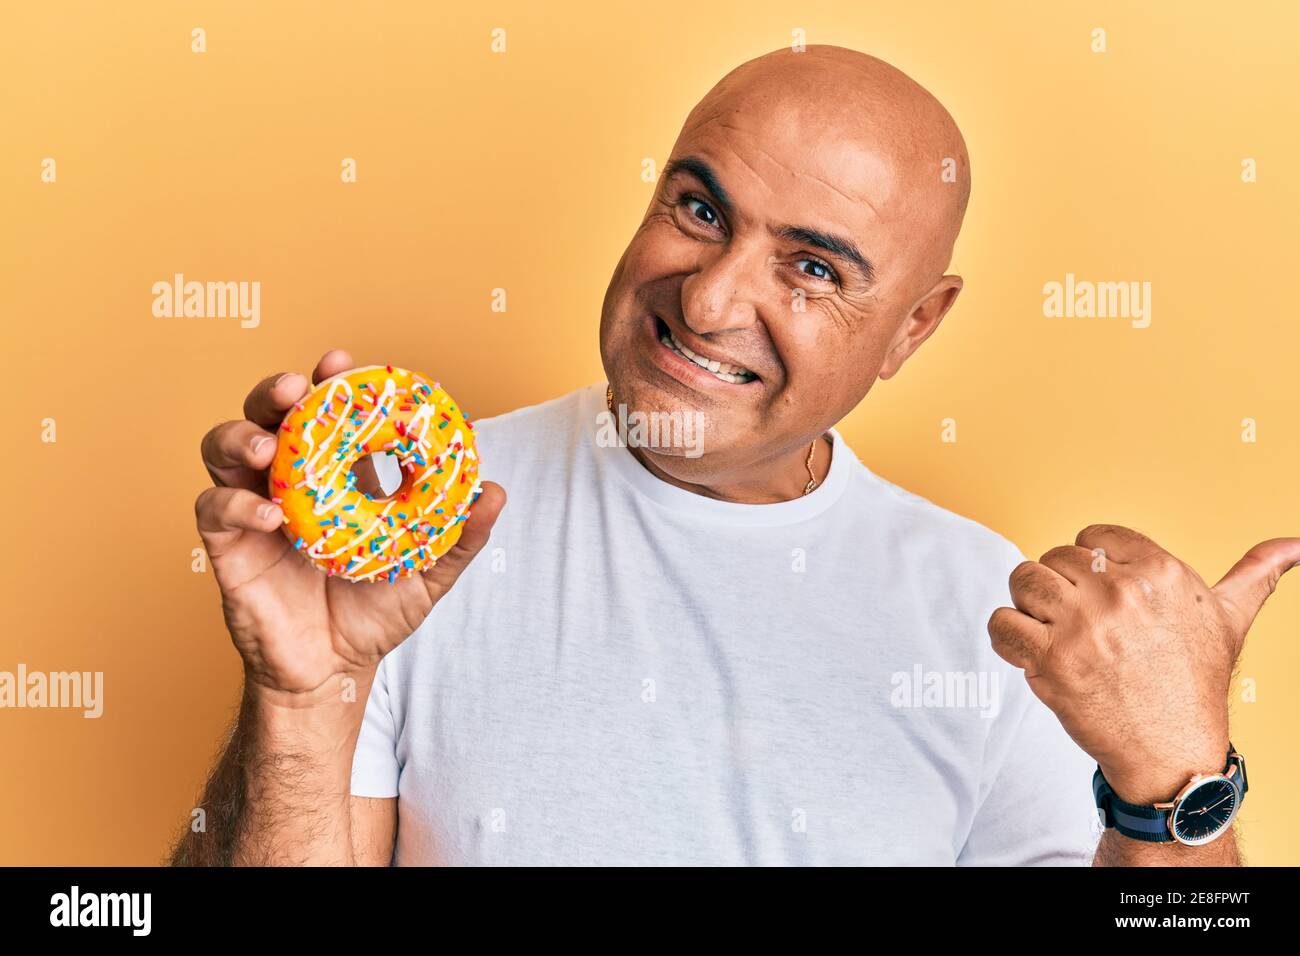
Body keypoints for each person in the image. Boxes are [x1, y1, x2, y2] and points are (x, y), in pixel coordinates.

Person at [171, 45, 1297, 866]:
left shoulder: (987, 612)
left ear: (913, 326)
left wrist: (1170, 787)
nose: (707, 301)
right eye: (699, 207)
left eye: (813, 268)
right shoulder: (419, 538)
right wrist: (304, 700)